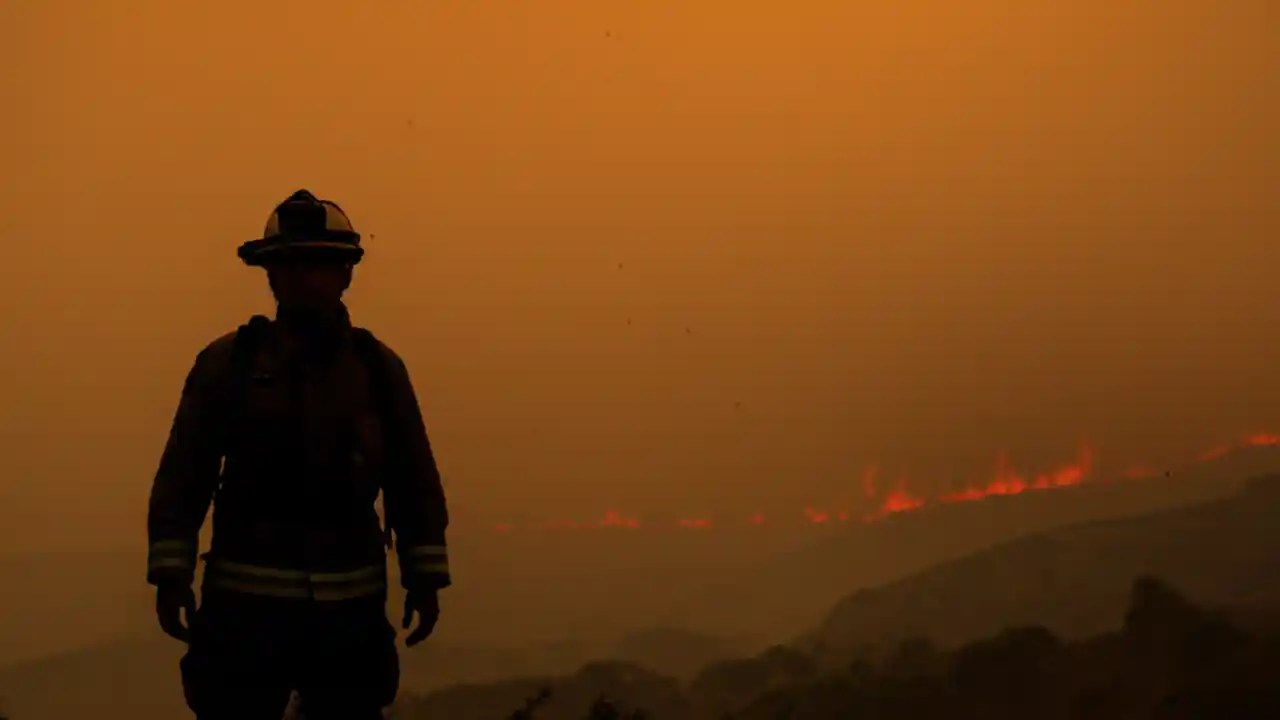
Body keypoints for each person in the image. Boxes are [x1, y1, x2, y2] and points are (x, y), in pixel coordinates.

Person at [145, 189, 451, 719]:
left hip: (347, 622)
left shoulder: (378, 371)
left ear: (345, 273)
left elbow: (413, 481)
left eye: (319, 264)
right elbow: (184, 474)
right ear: (269, 275)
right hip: (244, 620)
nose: (304, 278)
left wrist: (424, 577)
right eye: (290, 265)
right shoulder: (227, 366)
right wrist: (170, 573)